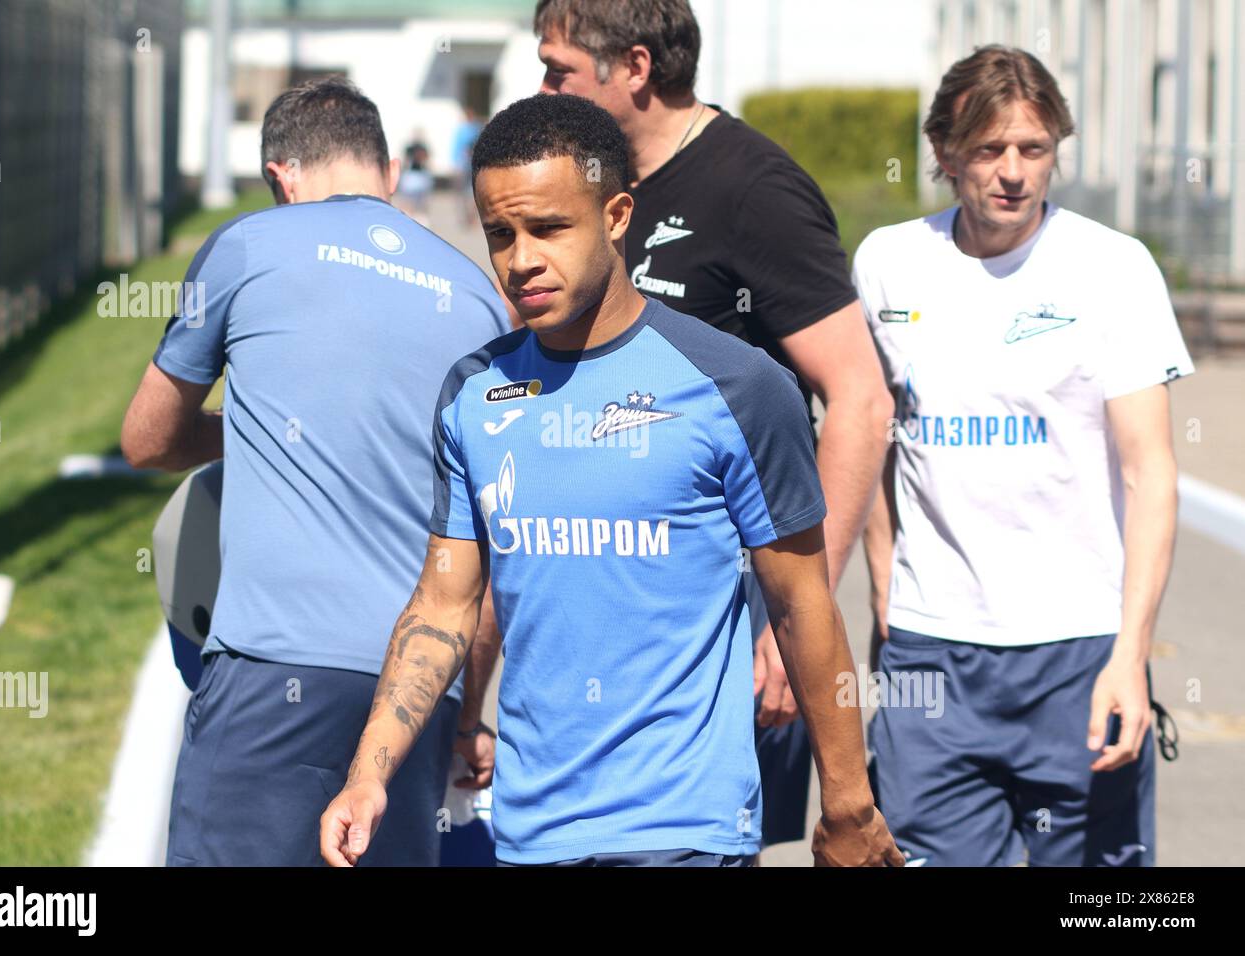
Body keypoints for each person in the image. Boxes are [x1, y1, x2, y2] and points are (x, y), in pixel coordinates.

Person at [319, 92, 902, 868]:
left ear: (618, 215)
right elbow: (443, 606)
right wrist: (368, 774)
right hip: (533, 835)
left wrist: (848, 802)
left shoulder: (737, 385)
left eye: (549, 227)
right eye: (500, 234)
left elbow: (803, 604)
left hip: (685, 829)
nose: (521, 257)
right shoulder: (473, 395)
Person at [531, 0, 894, 849]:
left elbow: (860, 398)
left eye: (558, 70)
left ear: (635, 68)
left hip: (730, 630)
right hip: (607, 634)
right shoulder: (599, 186)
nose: (543, 86)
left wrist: (789, 624)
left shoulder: (752, 189)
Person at [120, 76, 510, 866]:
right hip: (416, 688)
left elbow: (147, 439)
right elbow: (488, 539)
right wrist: (467, 715)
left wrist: (268, 431)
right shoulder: (480, 296)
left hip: (274, 667)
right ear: (391, 173)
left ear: (280, 177)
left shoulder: (249, 245)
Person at [855, 45, 1192, 866]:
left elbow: (1151, 475)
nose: (1013, 172)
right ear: (944, 154)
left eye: (1034, 150)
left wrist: (1130, 656)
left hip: (1077, 651)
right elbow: (871, 452)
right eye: (989, 150)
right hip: (931, 653)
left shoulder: (1113, 268)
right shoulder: (887, 263)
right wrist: (886, 612)